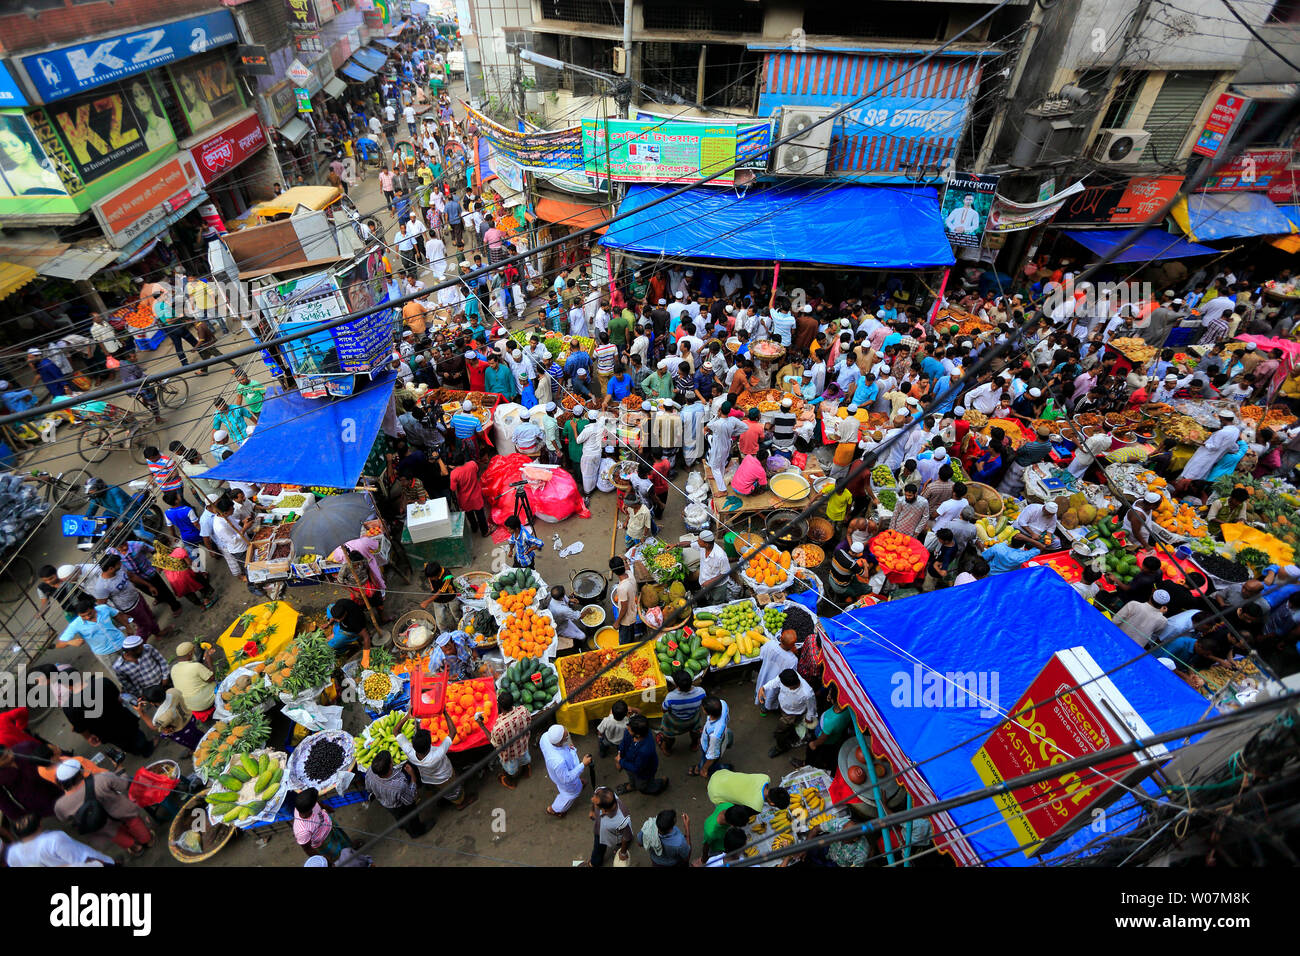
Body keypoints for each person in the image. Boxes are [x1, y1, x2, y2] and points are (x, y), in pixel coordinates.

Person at [52, 759, 152, 857]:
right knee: (135, 823)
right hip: (122, 811)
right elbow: (123, 784)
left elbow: (66, 819)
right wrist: (120, 769)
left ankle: (137, 848)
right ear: (80, 772)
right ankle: (147, 840)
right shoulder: (101, 779)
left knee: (117, 836)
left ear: (61, 783)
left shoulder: (60, 805)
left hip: (101, 825)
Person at [397, 722, 475, 812]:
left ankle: (444, 798)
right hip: (445, 778)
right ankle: (461, 803)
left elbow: (396, 731)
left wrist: (407, 717)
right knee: (454, 790)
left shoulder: (410, 752)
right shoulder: (437, 754)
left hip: (428, 778)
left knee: (439, 789)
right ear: (429, 745)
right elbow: (453, 732)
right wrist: (445, 712)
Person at [2, 813, 115, 866]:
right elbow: (81, 858)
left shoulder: (13, 853)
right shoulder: (54, 839)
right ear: (39, 825)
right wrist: (103, 863)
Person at [365, 750, 427, 837]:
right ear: (390, 765)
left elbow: (368, 789)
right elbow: (410, 800)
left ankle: (402, 825)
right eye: (391, 760)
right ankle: (416, 832)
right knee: (411, 818)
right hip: (400, 806)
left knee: (398, 816)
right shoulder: (399, 785)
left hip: (386, 804)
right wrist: (413, 775)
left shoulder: (370, 772)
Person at [762, 668, 818, 757]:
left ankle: (781, 747)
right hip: (783, 707)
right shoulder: (789, 676)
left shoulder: (807, 693)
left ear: (791, 686)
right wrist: (764, 687)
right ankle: (789, 732)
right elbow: (775, 681)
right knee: (788, 727)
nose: (781, 684)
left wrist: (808, 718)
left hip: (792, 714)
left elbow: (812, 707)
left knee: (780, 731)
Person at [482, 691, 532, 790]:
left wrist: (482, 726)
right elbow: (529, 722)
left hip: (509, 755)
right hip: (523, 746)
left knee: (511, 770)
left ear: (499, 706)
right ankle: (526, 772)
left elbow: (494, 742)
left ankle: (511, 782)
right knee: (525, 759)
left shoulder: (498, 728)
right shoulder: (523, 710)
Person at [541, 724, 590, 817]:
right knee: (570, 795)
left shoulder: (545, 737)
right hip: (567, 783)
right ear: (559, 743)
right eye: (566, 737)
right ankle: (555, 809)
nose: (568, 738)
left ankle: (579, 783)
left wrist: (568, 744)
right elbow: (567, 778)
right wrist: (583, 764)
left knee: (576, 783)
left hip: (565, 770)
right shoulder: (558, 761)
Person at [293, 788, 353, 862]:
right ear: (309, 808)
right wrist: (323, 859)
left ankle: (351, 850)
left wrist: (327, 808)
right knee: (340, 857)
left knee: (343, 841)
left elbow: (319, 804)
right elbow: (307, 849)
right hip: (324, 841)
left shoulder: (303, 805)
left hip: (331, 827)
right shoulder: (302, 831)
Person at [617, 713, 669, 795]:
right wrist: (619, 754)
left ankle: (660, 784)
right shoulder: (632, 730)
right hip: (629, 763)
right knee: (631, 776)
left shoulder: (645, 750)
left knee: (642, 786)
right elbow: (623, 743)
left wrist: (621, 761)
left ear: (637, 735)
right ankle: (632, 785)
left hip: (644, 771)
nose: (627, 728)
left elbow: (637, 768)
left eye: (630, 729)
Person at [657, 670, 706, 754]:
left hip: (675, 722)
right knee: (695, 732)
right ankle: (695, 745)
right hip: (693, 718)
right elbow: (703, 703)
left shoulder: (671, 697)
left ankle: (666, 749)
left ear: (676, 685)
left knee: (669, 736)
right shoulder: (701, 692)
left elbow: (664, 710)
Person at [583, 786, 633, 867]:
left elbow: (627, 836)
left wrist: (623, 852)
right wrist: (592, 810)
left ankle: (618, 850)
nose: (592, 800)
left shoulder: (622, 819)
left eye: (595, 804)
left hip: (615, 836)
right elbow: (594, 798)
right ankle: (594, 863)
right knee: (598, 847)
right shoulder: (601, 791)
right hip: (599, 831)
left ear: (603, 809)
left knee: (620, 844)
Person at [706, 768, 790, 816]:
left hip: (720, 774)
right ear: (772, 804)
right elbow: (742, 815)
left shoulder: (765, 778)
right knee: (727, 810)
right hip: (714, 793)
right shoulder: (756, 807)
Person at [754, 628, 799, 707]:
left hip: (764, 675)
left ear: (780, 638)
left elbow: (761, 654)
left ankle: (761, 705)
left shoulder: (770, 644)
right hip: (776, 683)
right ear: (793, 645)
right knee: (770, 696)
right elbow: (791, 674)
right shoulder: (792, 660)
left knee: (761, 690)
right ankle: (766, 708)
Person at [611, 557, 639, 644]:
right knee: (631, 633)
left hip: (626, 619)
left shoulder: (622, 588)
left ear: (614, 572)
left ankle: (626, 649)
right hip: (633, 611)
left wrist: (617, 622)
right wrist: (625, 560)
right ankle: (631, 640)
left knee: (624, 639)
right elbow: (627, 567)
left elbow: (624, 608)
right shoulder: (630, 573)